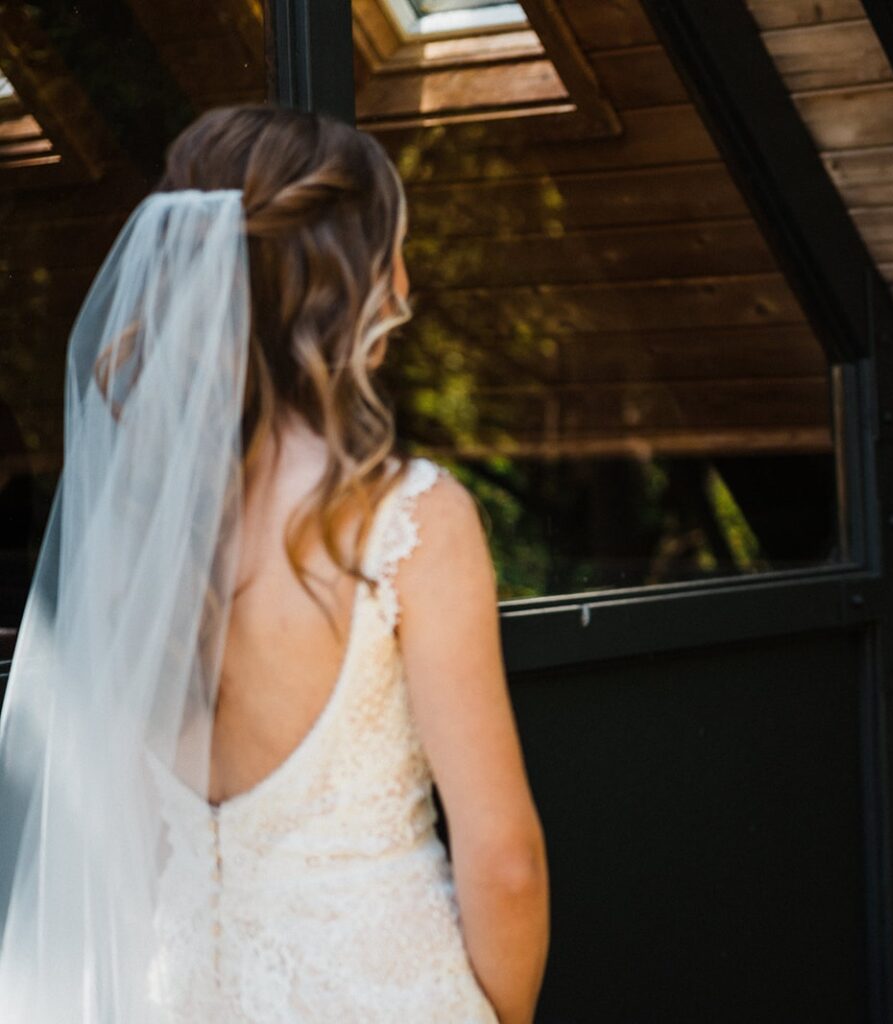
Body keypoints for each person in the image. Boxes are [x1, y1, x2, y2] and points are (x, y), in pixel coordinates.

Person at [0, 106, 548, 1022]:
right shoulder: (412, 519)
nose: (407, 283)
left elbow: (120, 842)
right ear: (343, 278)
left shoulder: (138, 524)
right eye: (393, 248)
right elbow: (507, 864)